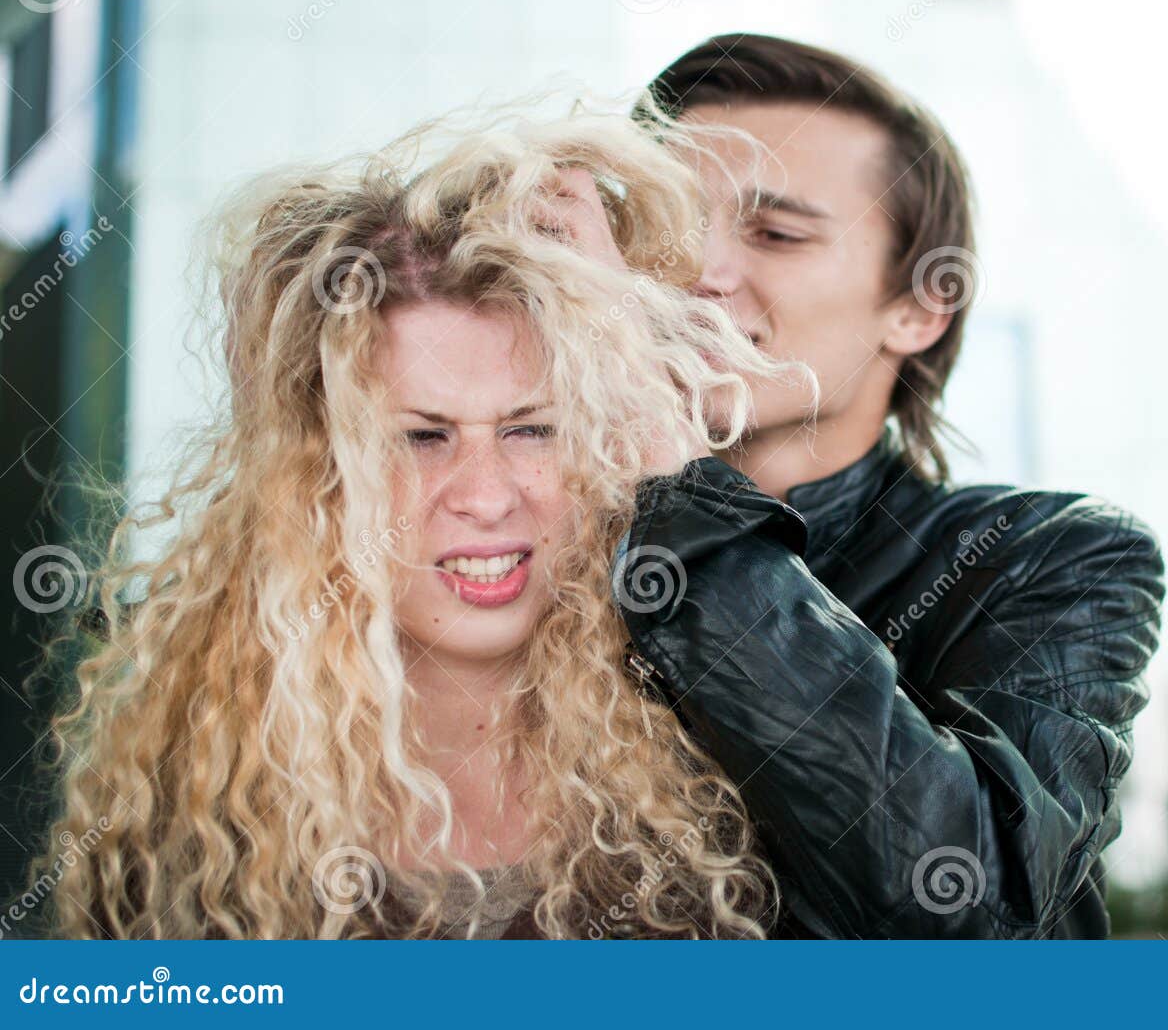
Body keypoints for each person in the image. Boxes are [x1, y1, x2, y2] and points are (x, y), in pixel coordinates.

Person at [35, 104, 796, 939]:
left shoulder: (728, 763)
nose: (487, 494)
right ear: (318, 475)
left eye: (532, 428)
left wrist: (657, 424)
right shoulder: (188, 821)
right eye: (422, 437)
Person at [613, 33, 1168, 937]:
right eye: (663, 227)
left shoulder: (1055, 562)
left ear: (918, 306)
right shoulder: (538, 548)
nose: (698, 274)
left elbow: (969, 908)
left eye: (776, 233)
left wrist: (678, 498)